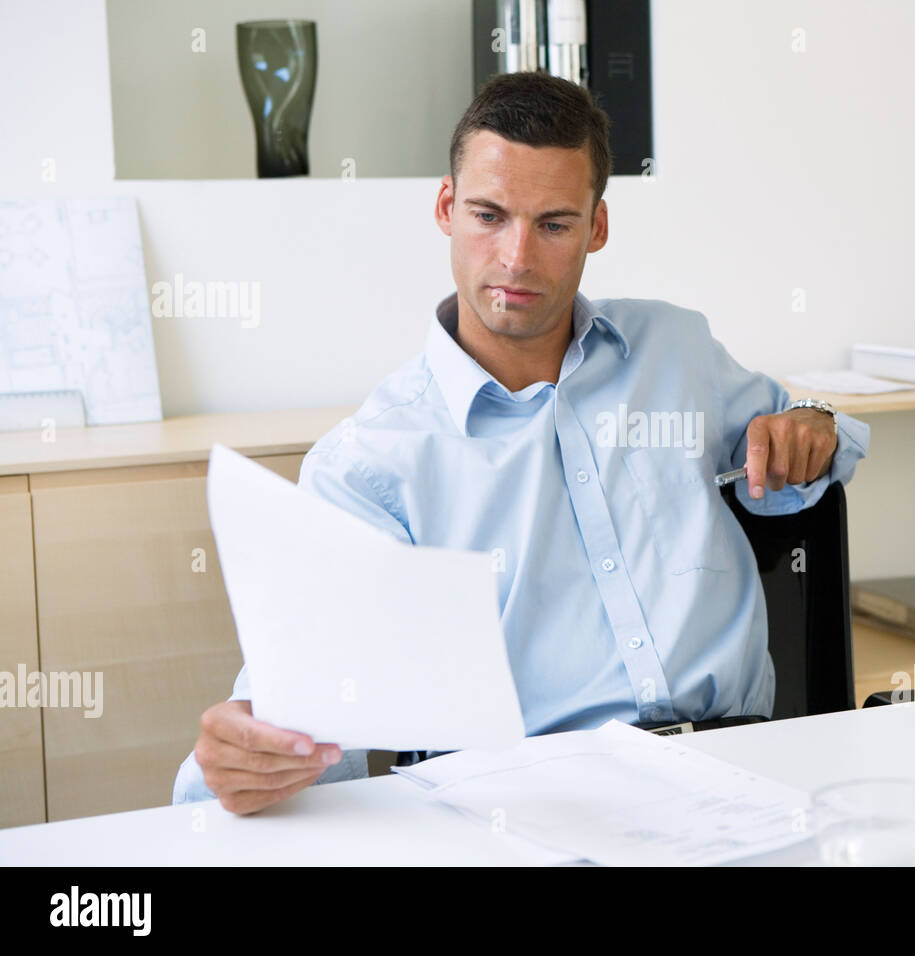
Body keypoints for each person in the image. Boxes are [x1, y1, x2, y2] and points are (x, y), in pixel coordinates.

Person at [174, 70, 871, 814]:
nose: (516, 258)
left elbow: (809, 443)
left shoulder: (679, 352)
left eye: (553, 223)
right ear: (446, 208)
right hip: (526, 808)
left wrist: (816, 426)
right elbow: (303, 697)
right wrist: (246, 762)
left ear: (597, 227)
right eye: (489, 215)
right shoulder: (371, 463)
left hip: (743, 772)